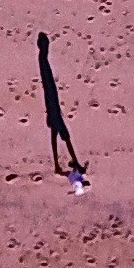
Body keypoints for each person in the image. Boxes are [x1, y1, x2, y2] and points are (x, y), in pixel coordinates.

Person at [34, 32, 88, 192]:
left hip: (52, 105)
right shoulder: (42, 60)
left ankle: (60, 164)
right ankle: (70, 162)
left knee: (56, 135)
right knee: (63, 136)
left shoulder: (42, 59)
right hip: (53, 106)